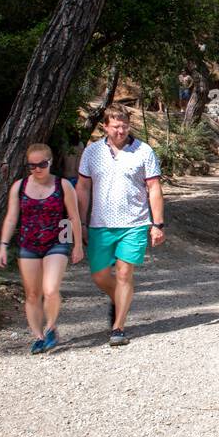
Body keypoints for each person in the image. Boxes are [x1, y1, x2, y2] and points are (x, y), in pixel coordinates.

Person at [76, 105, 165, 347]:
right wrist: (80, 222)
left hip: (134, 223)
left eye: (125, 126)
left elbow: (154, 187)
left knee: (125, 273)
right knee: (99, 275)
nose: (121, 130)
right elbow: (82, 187)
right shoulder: (92, 152)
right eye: (116, 126)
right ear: (105, 126)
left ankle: (118, 328)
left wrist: (157, 223)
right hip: (100, 224)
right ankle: (119, 298)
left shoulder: (143, 151)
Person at [0, 144, 85, 354]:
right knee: (33, 294)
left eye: (42, 164)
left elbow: (74, 217)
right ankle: (38, 336)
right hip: (28, 244)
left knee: (50, 289)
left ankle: (51, 327)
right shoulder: (19, 187)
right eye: (32, 166)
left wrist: (78, 245)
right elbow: (11, 218)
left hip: (57, 241)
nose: (37, 169)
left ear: (50, 162)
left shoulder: (63, 185)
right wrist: (3, 246)